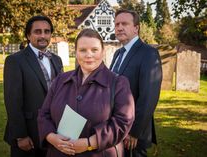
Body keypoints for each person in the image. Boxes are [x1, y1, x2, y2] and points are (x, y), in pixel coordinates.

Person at [38, 28, 135, 157]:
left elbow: (123, 122)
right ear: (76, 53)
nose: (88, 55)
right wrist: (51, 138)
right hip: (58, 152)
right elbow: (43, 114)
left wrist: (89, 143)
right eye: (83, 50)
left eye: (94, 50)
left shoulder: (118, 83)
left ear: (102, 52)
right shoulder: (60, 80)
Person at [3, 15, 63, 157]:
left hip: (53, 131)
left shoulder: (57, 60)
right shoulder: (15, 61)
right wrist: (20, 135)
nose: (43, 35)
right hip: (28, 132)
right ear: (28, 35)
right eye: (38, 31)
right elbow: (12, 101)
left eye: (47, 31)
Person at [110, 9, 162, 157]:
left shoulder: (148, 53)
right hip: (115, 126)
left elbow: (148, 97)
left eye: (124, 24)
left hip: (133, 134)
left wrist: (134, 131)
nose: (119, 27)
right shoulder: (118, 53)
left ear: (136, 28)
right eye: (117, 24)